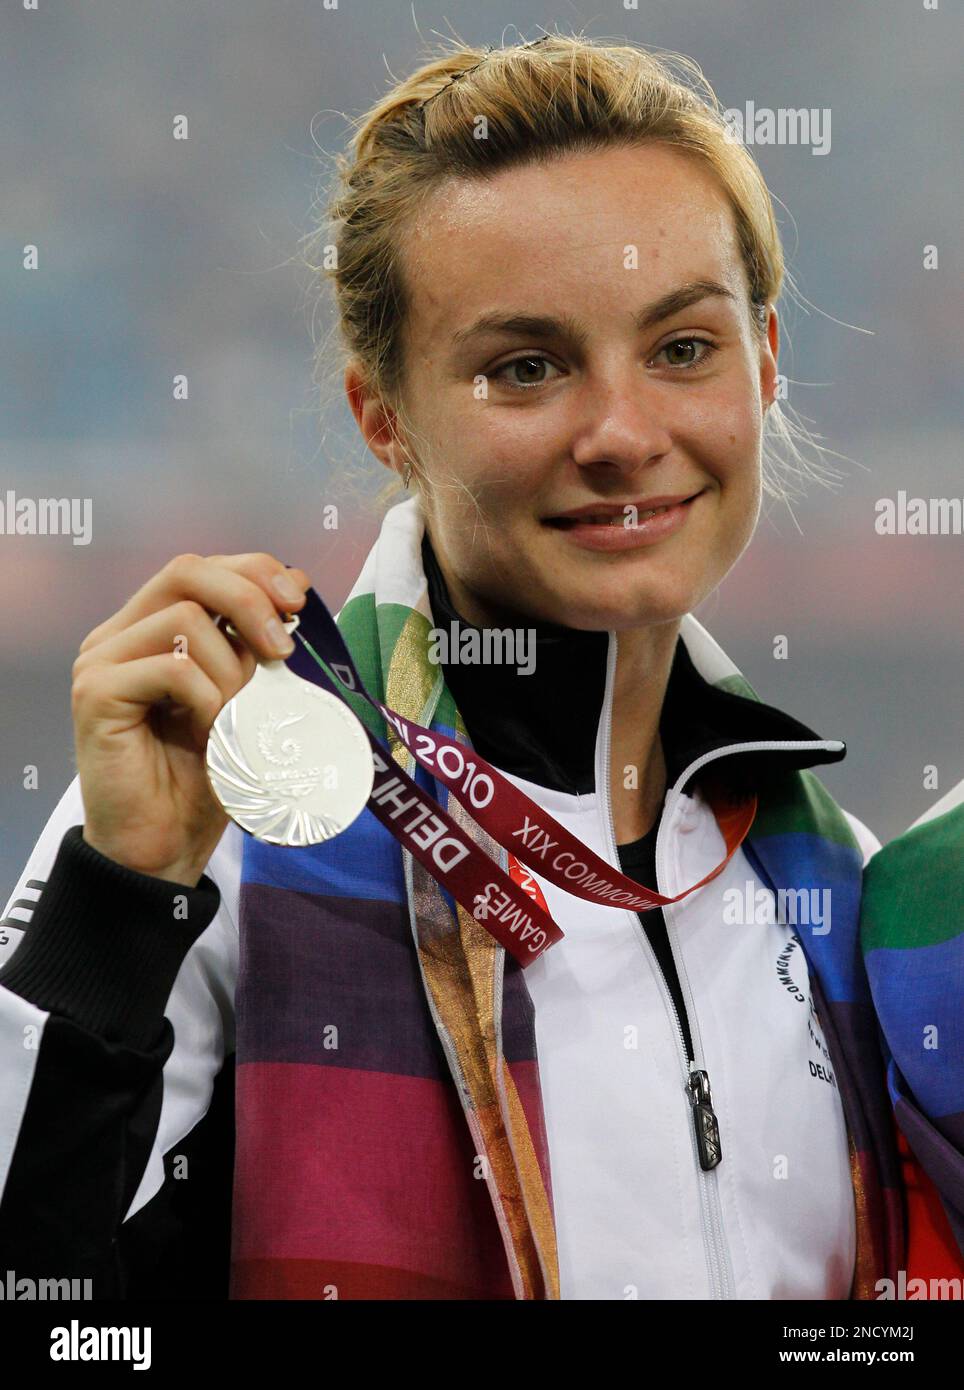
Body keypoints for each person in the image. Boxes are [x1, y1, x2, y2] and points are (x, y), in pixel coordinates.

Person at [0, 32, 960, 1302]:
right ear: (382, 415)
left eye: (682, 348)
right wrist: (117, 907)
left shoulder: (842, 879)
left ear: (766, 362)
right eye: (526, 368)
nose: (623, 434)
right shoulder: (232, 812)